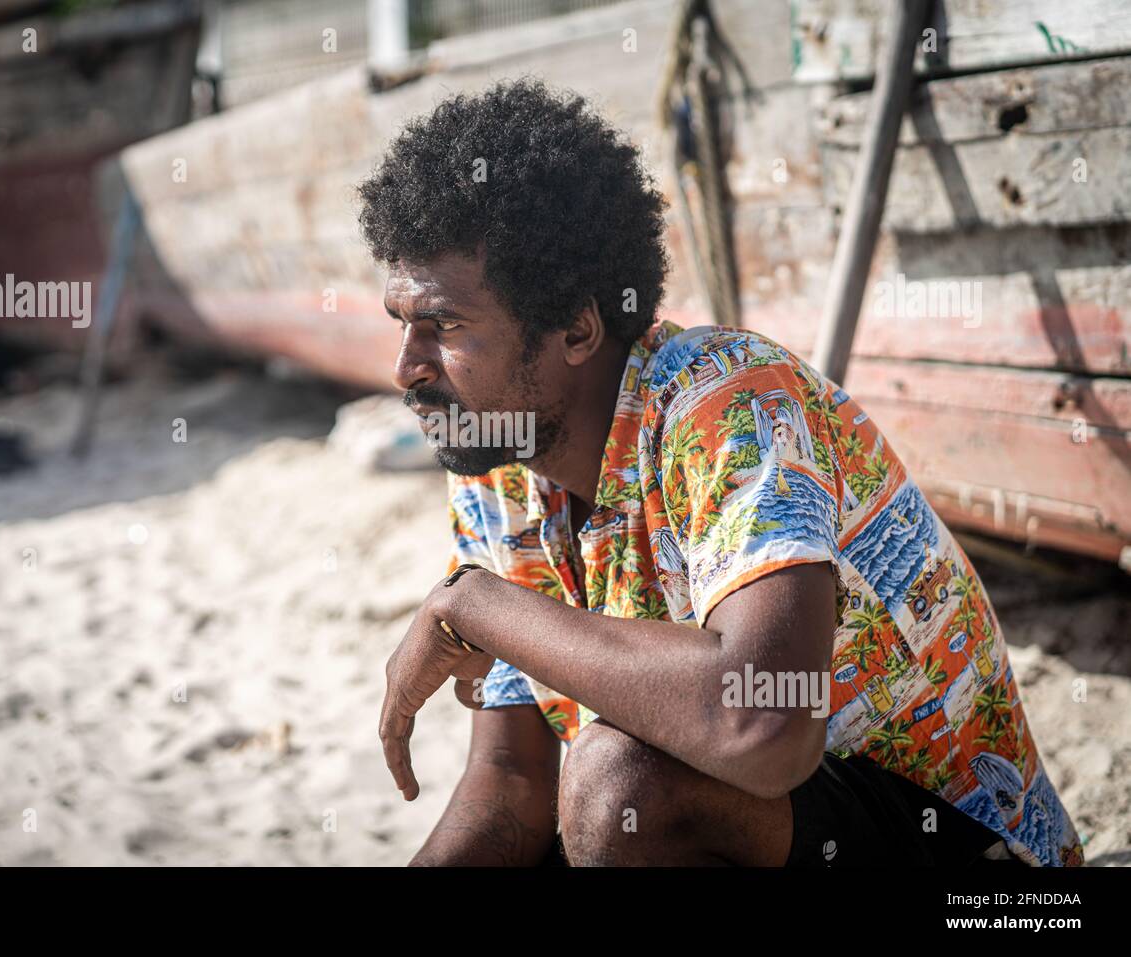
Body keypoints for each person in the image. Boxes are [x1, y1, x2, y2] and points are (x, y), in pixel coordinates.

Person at [356, 78, 1083, 867]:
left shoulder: (726, 403)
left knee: (617, 786)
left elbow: (764, 722)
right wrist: (481, 607)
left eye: (446, 326)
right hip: (782, 829)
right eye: (403, 325)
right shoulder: (497, 460)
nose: (405, 368)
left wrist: (474, 605)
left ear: (575, 329)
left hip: (969, 855)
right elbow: (510, 789)